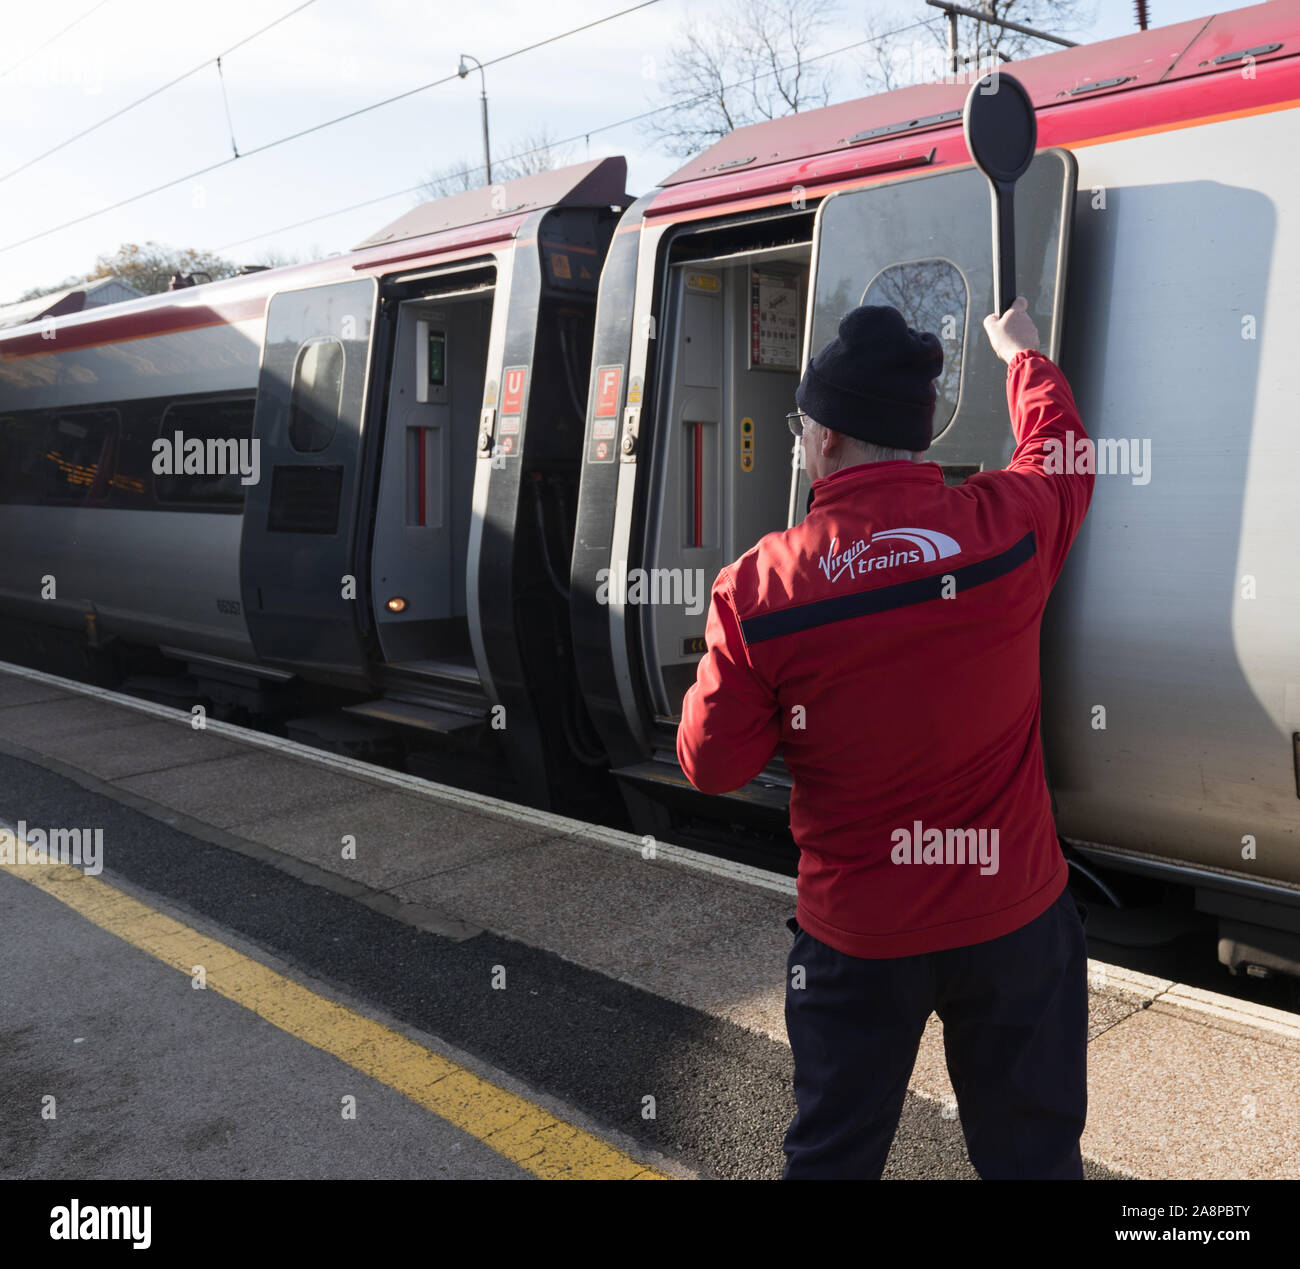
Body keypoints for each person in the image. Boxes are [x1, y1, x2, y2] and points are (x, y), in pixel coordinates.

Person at [676, 297, 1095, 1179]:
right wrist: (1023, 355)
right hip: (1015, 916)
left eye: (802, 423)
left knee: (832, 1159)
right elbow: (1060, 451)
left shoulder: (761, 587)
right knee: (1036, 1162)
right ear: (917, 437)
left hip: (861, 938)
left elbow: (713, 766)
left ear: (826, 439)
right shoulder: (1006, 525)